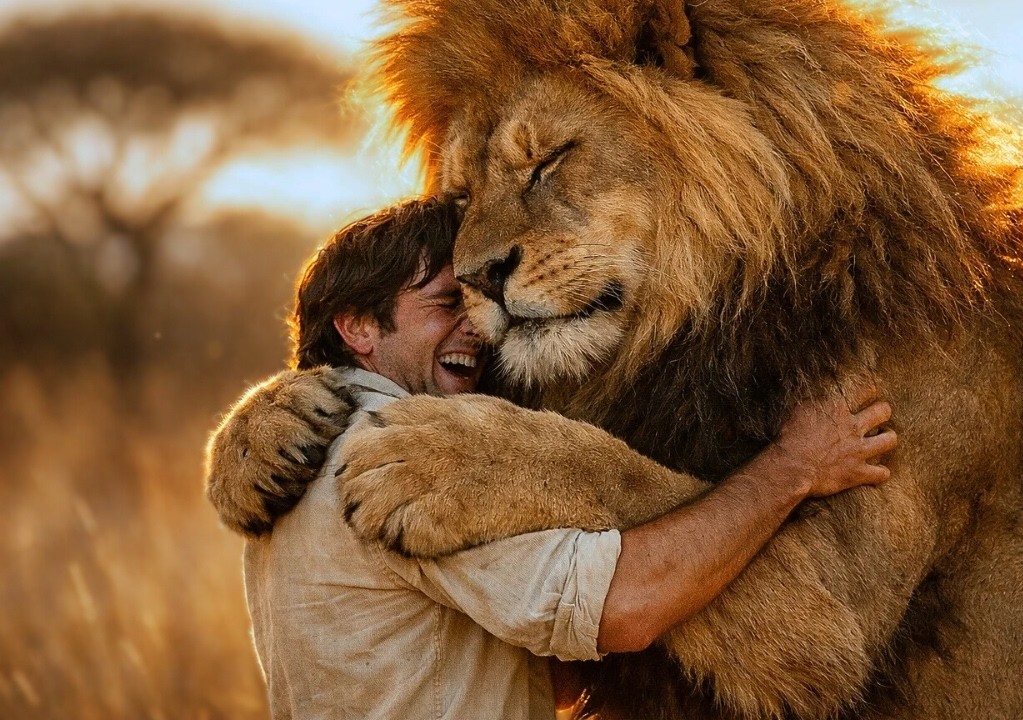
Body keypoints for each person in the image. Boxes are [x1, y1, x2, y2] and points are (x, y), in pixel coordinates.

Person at [234, 198, 897, 719]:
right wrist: (794, 466)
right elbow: (625, 606)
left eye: (474, 302)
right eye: (443, 305)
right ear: (357, 327)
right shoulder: (401, 454)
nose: (476, 326)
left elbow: (537, 680)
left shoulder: (293, 462)